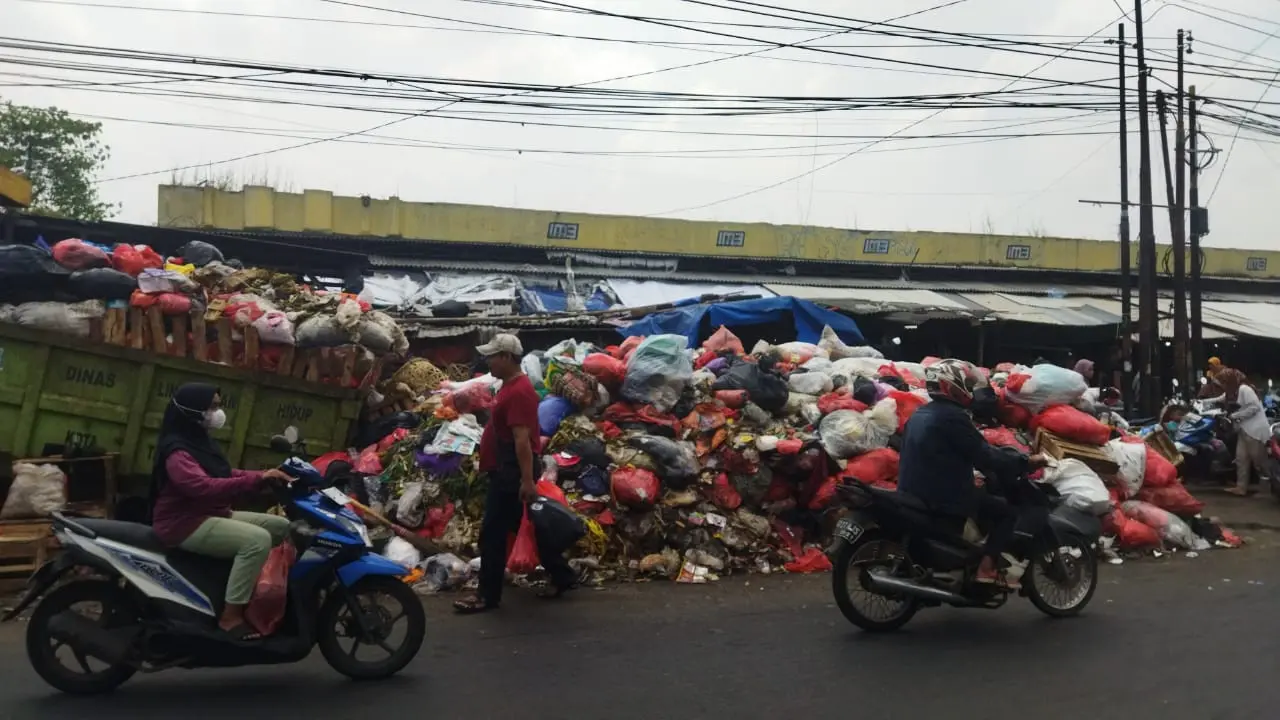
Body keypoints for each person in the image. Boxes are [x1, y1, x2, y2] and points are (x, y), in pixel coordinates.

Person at [150, 383, 292, 641]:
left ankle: (257, 593)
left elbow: (224, 474)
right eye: (212, 407)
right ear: (193, 411)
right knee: (256, 541)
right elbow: (201, 487)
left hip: (209, 513)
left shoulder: (199, 441)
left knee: (280, 527)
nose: (218, 412)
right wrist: (253, 481)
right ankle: (231, 616)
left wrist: (263, 475)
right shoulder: (178, 451)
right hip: (184, 523)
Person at [454, 334, 579, 614]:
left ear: (508, 358)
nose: (488, 361)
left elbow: (522, 440)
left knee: (493, 535)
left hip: (510, 470)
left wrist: (525, 480)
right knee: (524, 527)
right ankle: (563, 575)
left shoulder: (520, 391)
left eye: (493, 356)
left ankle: (488, 596)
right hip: (506, 468)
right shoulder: (508, 387)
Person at [897, 360, 1048, 590]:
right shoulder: (953, 417)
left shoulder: (921, 412)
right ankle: (986, 568)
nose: (970, 389)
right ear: (951, 386)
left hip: (913, 489)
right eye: (966, 383)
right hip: (943, 495)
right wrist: (1024, 461)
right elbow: (984, 454)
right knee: (1005, 513)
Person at [1217, 370, 1271, 496]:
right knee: (1241, 460)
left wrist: (1235, 415)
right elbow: (1219, 399)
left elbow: (1254, 407)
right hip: (1244, 430)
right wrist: (1202, 402)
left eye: (1223, 383)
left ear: (1230, 381)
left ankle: (1267, 490)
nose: (1222, 386)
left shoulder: (1244, 389)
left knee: (1259, 462)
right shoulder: (1233, 392)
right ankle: (1241, 488)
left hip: (1255, 431)